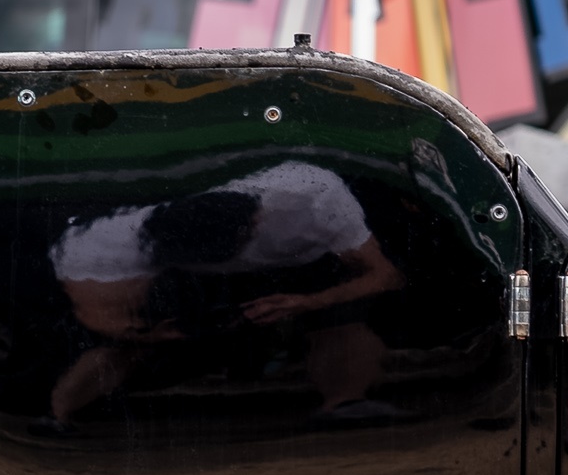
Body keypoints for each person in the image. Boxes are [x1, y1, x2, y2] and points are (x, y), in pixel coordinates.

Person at [44, 159, 402, 430]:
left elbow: (385, 276)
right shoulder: (121, 235)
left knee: (337, 318)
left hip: (309, 259)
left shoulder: (316, 199)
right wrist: (150, 333)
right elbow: (93, 314)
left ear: (254, 225)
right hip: (193, 274)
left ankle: (345, 403)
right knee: (126, 345)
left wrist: (308, 302)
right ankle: (58, 417)